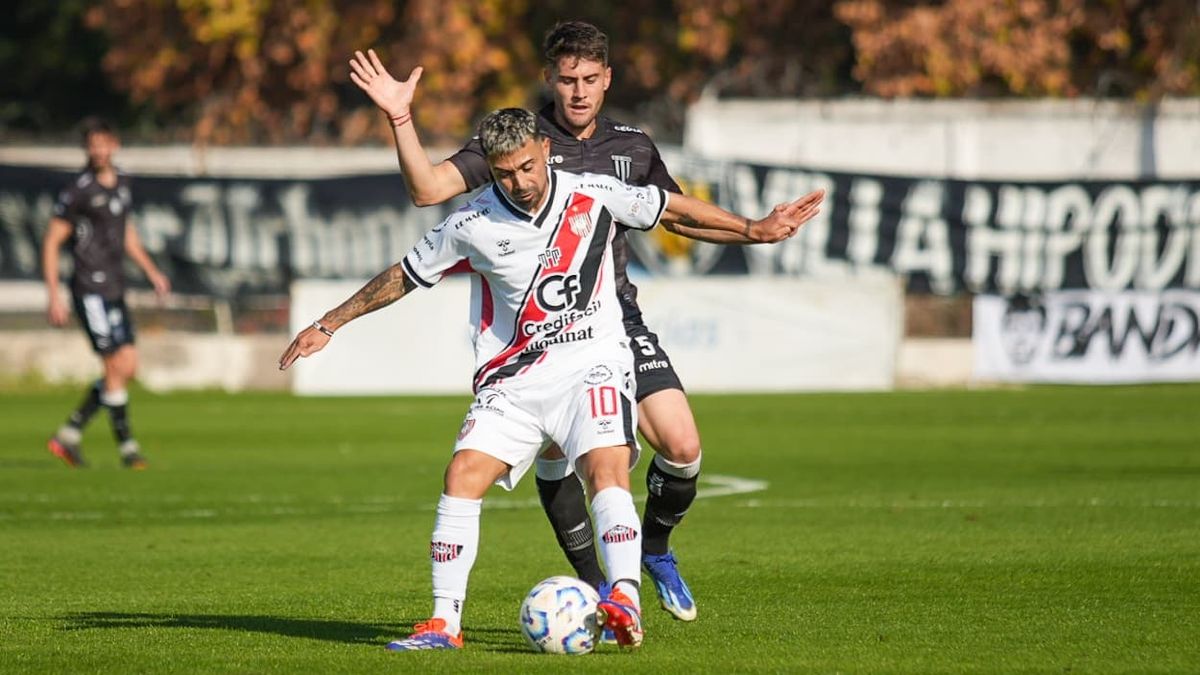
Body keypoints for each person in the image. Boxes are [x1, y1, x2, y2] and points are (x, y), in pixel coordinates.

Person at [279, 108, 812, 651]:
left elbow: (673, 209)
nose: (521, 182)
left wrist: (753, 229)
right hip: (513, 380)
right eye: (506, 172)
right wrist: (329, 323)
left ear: (545, 151)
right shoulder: (471, 222)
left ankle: (623, 600)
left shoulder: (596, 192)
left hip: (592, 364)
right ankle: (444, 624)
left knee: (605, 469)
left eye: (529, 167)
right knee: (462, 475)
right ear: (491, 167)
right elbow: (403, 275)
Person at [42, 117, 170, 470]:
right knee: (113, 364)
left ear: (114, 144)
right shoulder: (77, 191)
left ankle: (68, 435)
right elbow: (52, 241)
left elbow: (126, 232)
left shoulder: (123, 183)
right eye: (91, 144)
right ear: (87, 148)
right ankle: (128, 448)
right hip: (88, 289)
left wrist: (151, 270)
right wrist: (53, 294)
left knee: (128, 366)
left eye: (103, 142)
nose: (97, 150)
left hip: (114, 287)